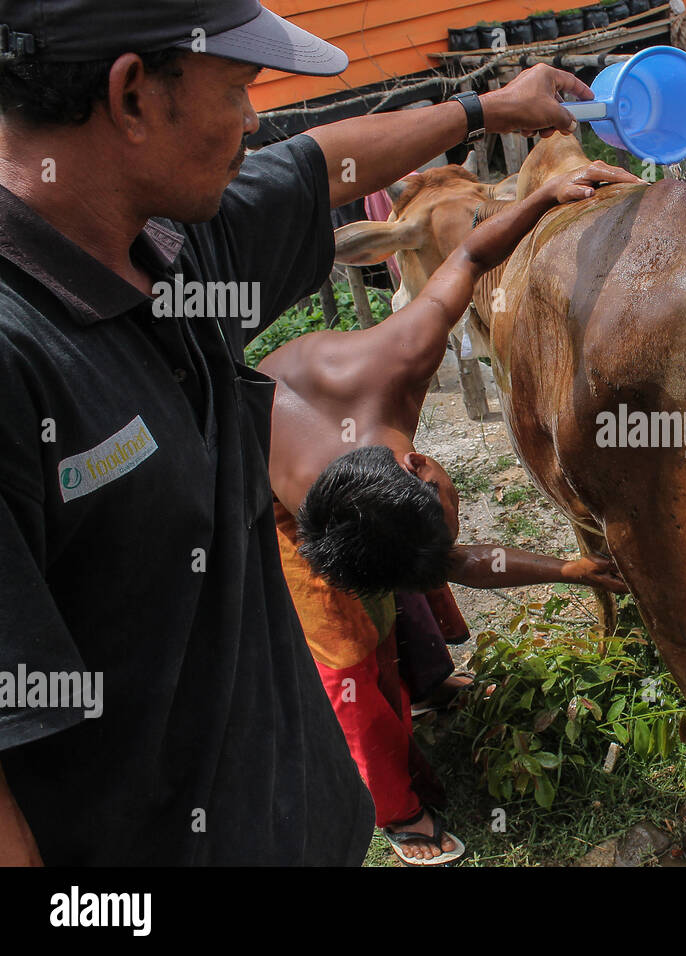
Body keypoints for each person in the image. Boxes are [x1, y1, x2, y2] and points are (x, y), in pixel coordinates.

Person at [0, 0, 600, 865]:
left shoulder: (168, 248)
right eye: (240, 89)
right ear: (132, 96)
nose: (256, 121)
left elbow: (319, 166)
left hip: (304, 823)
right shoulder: (21, 365)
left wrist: (488, 109)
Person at [259, 159, 637, 865]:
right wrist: (568, 568)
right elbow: (454, 559)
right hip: (270, 500)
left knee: (416, 575)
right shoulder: (303, 505)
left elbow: (469, 251)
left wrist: (548, 193)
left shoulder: (399, 353)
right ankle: (397, 810)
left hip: (342, 466)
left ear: (416, 463)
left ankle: (429, 682)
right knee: (351, 661)